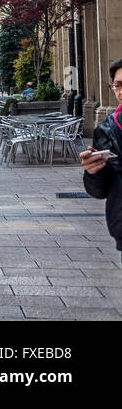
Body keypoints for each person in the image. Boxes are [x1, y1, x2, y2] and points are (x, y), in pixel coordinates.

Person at [81, 59, 122, 259]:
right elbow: (100, 191)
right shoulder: (107, 130)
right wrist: (93, 172)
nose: (121, 91)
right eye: (118, 85)